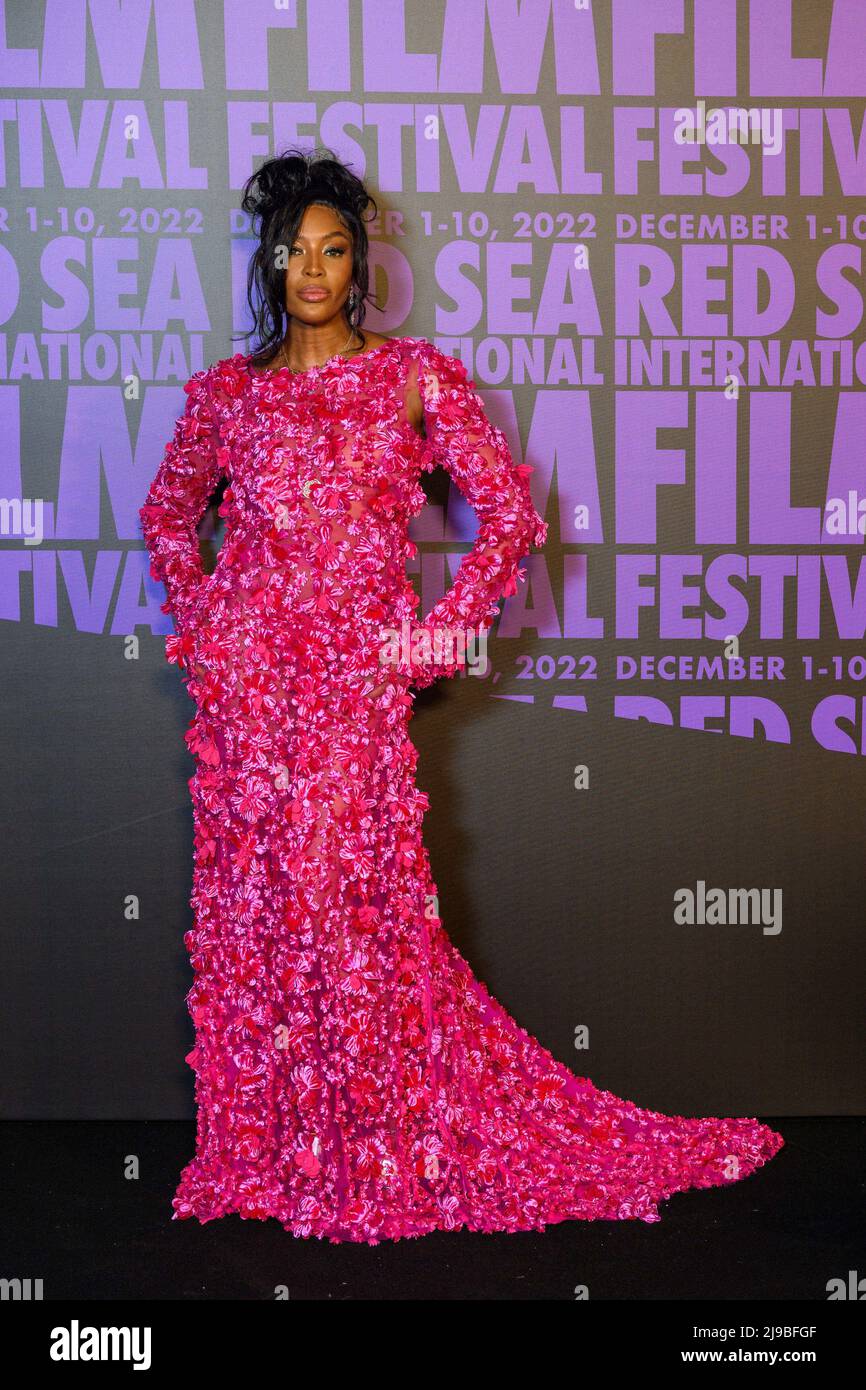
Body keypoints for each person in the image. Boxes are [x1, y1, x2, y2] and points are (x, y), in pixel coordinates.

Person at [139, 148, 784, 1244]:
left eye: (333, 249)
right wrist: (206, 628)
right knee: (259, 910)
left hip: (349, 691)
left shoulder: (410, 377)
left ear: (360, 263)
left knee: (345, 909)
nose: (312, 269)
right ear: (268, 262)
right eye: (294, 250)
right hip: (250, 700)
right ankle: (270, 1150)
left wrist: (431, 637)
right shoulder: (230, 395)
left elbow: (512, 518)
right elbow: (167, 515)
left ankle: (370, 1147)